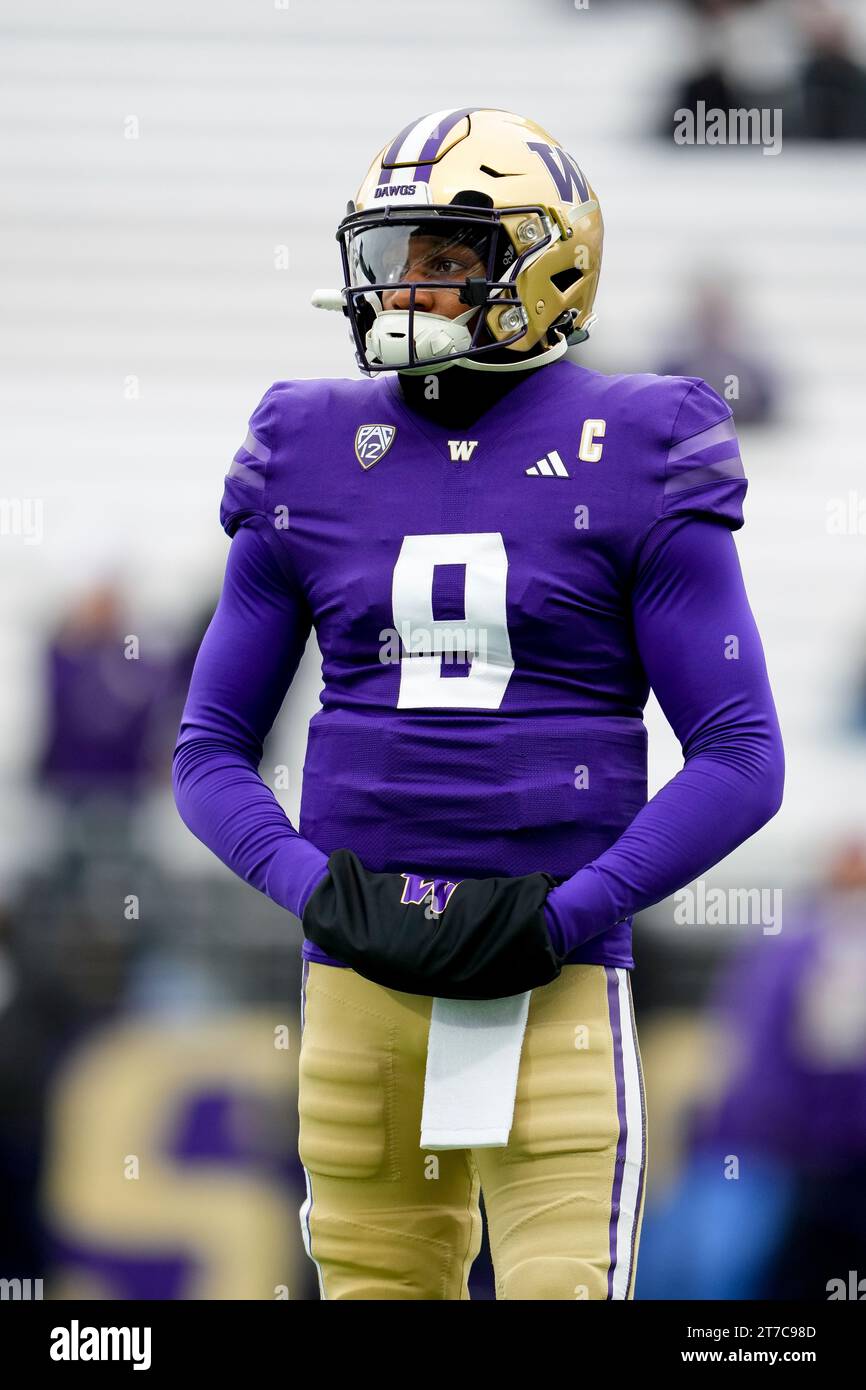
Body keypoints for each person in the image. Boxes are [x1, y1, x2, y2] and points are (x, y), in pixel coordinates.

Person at [172, 108, 784, 1299]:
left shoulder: (643, 436)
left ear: (546, 261)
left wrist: (565, 915)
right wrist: (324, 895)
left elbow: (740, 752)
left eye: (445, 259)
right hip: (355, 991)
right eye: (395, 257)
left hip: (549, 983)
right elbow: (205, 750)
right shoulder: (302, 440)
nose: (407, 288)